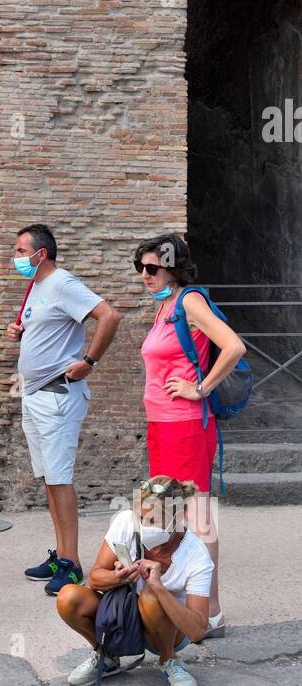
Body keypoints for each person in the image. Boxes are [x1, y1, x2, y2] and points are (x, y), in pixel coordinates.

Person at [135, 232, 246, 638]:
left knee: (197, 515)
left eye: (152, 268)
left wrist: (200, 389)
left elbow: (233, 347)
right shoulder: (164, 306)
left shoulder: (189, 301)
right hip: (163, 425)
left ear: (172, 267)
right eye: (140, 268)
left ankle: (211, 611)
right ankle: (188, 600)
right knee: (175, 513)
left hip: (186, 425)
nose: (144, 275)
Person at [6, 224, 121, 597]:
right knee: (48, 479)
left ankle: (71, 565)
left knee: (60, 479)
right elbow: (46, 330)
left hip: (58, 396)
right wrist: (19, 331)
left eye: (22, 249)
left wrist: (89, 361)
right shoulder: (36, 288)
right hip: (35, 396)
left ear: (41, 254)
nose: (17, 255)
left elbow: (109, 316)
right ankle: (60, 555)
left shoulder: (63, 283)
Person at [57, 475, 212, 686]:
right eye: (140, 517)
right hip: (124, 615)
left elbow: (197, 630)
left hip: (167, 630)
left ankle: (169, 660)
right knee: (68, 597)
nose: (142, 525)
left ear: (177, 516)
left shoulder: (196, 554)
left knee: (151, 596)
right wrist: (120, 577)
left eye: (152, 521)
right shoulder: (126, 522)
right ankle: (106, 655)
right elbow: (95, 578)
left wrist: (158, 586)